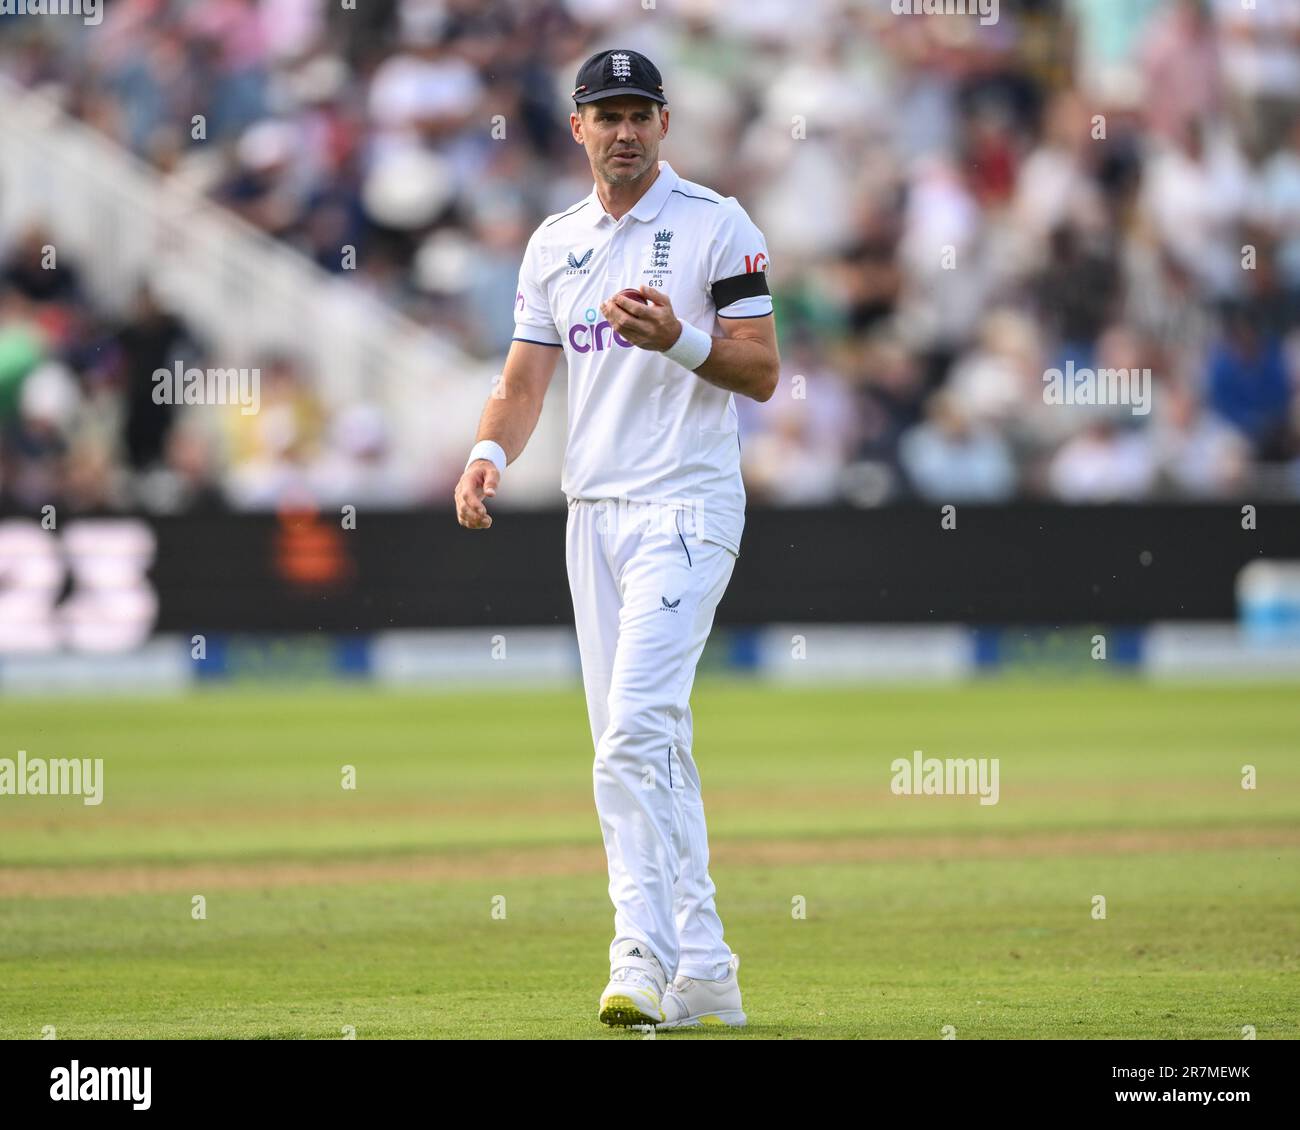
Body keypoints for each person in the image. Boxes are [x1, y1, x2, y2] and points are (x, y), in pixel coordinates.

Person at [453, 48, 779, 1029]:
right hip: (590, 515)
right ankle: (709, 969)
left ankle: (639, 951)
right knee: (642, 742)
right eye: (608, 114)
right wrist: (487, 454)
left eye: (641, 113)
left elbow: (761, 371)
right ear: (578, 128)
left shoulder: (719, 225)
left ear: (664, 125)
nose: (625, 129)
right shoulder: (554, 243)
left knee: (633, 729)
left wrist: (675, 337)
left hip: (686, 504)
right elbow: (521, 384)